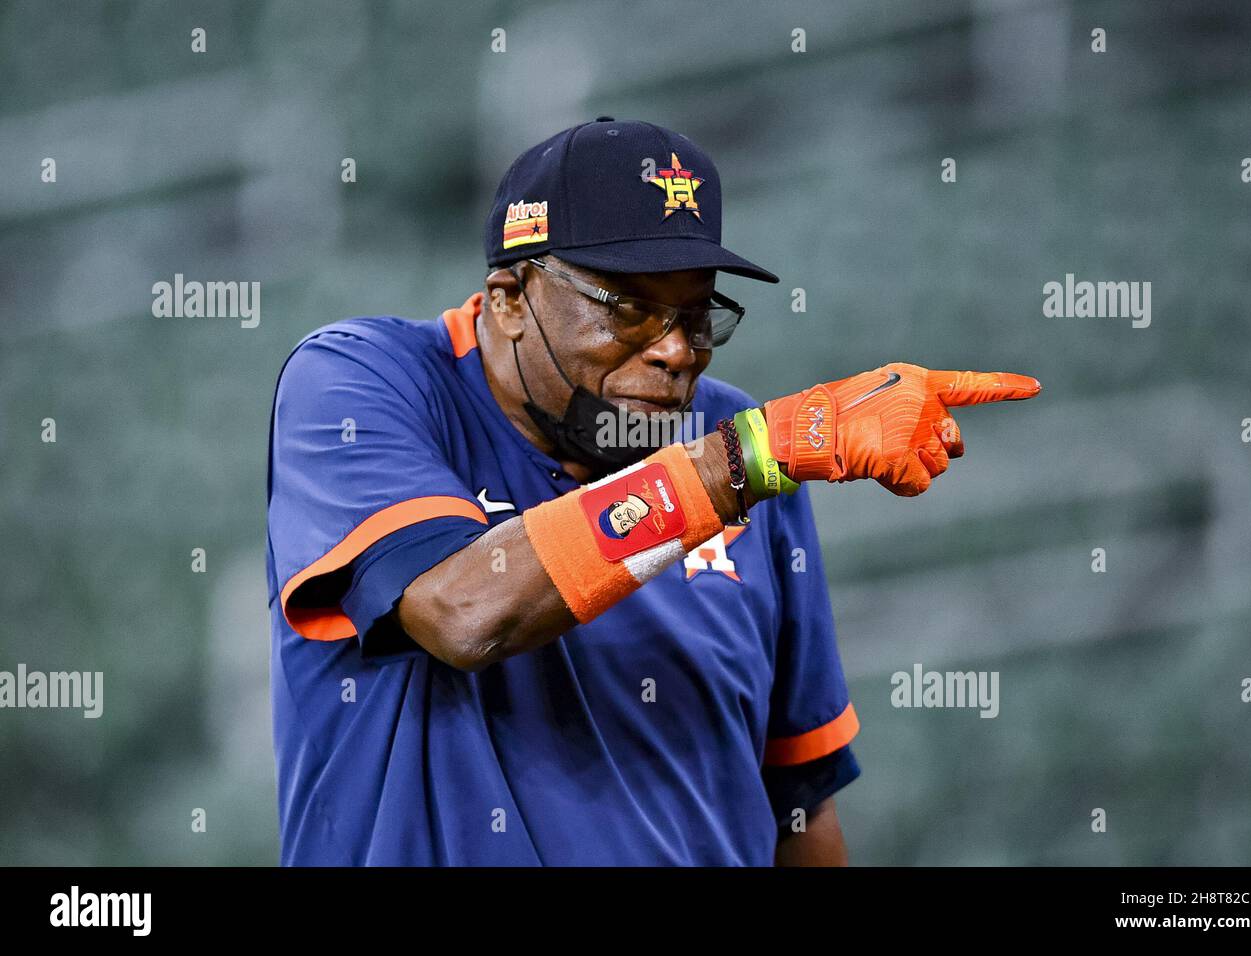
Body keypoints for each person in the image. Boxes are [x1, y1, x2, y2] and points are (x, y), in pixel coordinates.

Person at [265, 117, 1040, 866]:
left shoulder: (732, 433)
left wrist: (746, 458)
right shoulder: (366, 379)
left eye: (696, 314)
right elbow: (463, 613)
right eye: (627, 308)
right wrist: (742, 464)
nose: (674, 350)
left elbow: (799, 795)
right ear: (509, 298)